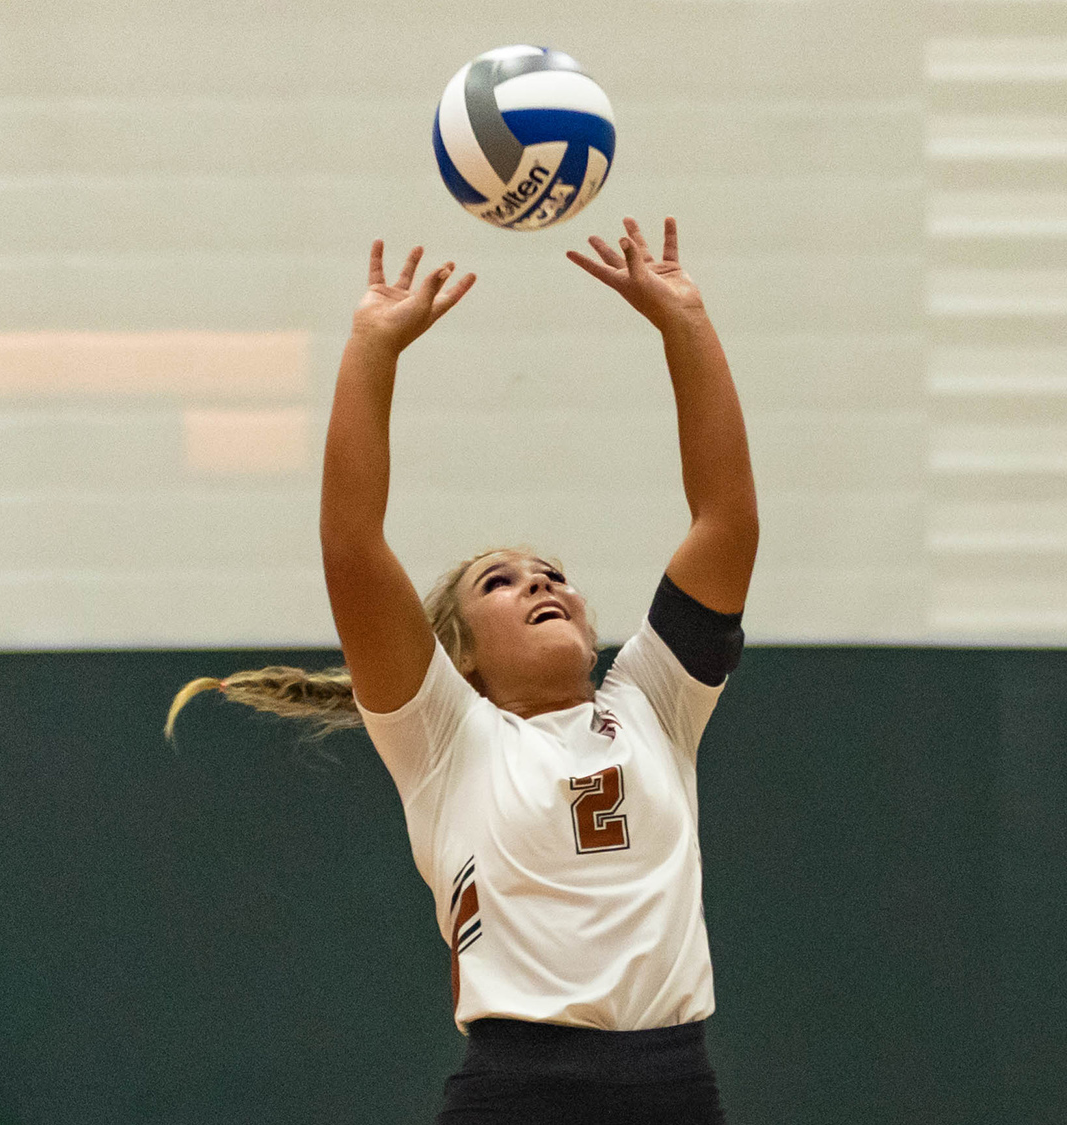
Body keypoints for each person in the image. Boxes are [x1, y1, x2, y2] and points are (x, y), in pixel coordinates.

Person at [168, 216, 757, 1124]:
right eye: (502, 581)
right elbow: (352, 545)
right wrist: (372, 345)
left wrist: (686, 322)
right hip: (517, 1088)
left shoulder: (654, 702)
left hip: (672, 1082)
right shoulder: (446, 737)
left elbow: (726, 521)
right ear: (461, 657)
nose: (542, 582)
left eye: (553, 573)